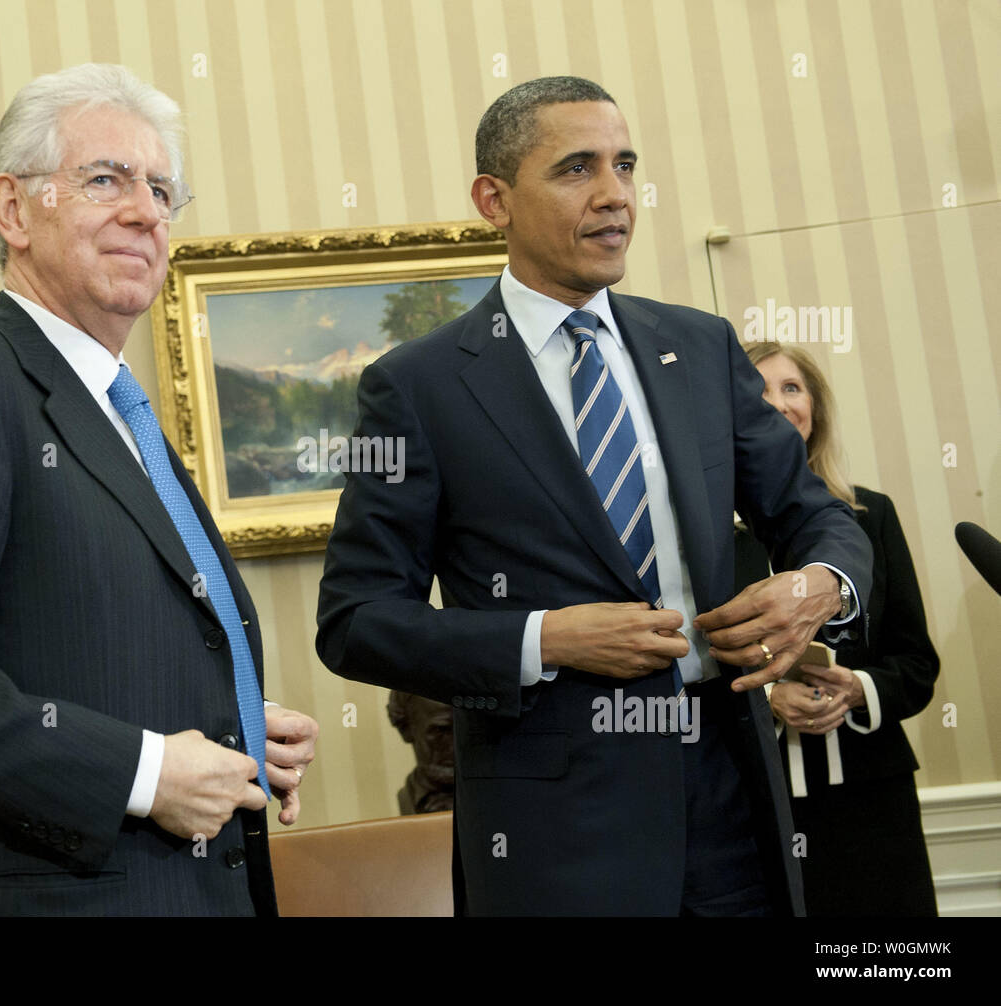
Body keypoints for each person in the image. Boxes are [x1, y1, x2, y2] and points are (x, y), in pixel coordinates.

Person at [316, 76, 873, 916]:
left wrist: (820, 584)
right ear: (493, 199)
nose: (616, 196)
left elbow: (816, 514)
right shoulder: (418, 387)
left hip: (734, 802)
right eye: (578, 168)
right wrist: (549, 638)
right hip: (555, 836)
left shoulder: (698, 345)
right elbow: (355, 621)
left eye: (625, 165)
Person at [0, 63, 317, 916]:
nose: (146, 211)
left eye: (161, 189)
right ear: (15, 210)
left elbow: (81, 645)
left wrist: (230, 726)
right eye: (106, 180)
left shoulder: (124, 412)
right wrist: (146, 774)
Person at [737, 342, 938, 915]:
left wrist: (858, 688)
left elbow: (916, 664)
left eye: (792, 388)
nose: (777, 403)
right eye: (757, 390)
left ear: (816, 409)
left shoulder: (869, 517)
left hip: (873, 797)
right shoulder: (705, 539)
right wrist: (770, 696)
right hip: (754, 800)